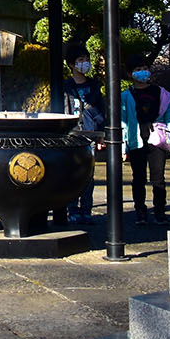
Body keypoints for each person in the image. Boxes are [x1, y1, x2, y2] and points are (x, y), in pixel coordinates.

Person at [120, 65, 170, 225]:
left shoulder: (161, 93)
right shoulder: (125, 96)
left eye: (145, 68)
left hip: (157, 140)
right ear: (130, 73)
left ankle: (160, 211)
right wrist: (123, 145)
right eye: (137, 68)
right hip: (135, 140)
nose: (142, 72)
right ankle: (140, 211)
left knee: (158, 177)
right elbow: (122, 121)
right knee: (138, 178)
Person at [59, 53, 106, 224]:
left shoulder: (94, 86)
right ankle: (72, 209)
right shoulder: (66, 86)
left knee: (88, 176)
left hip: (90, 133)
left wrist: (101, 133)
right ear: (71, 64)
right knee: (71, 174)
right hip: (71, 134)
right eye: (80, 60)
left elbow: (101, 109)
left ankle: (86, 210)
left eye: (86, 60)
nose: (84, 63)